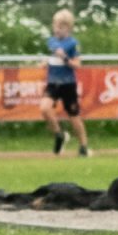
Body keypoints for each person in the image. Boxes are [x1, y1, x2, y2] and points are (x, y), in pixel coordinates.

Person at [40, 9, 91, 158]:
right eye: (55, 25)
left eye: (61, 26)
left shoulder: (73, 43)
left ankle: (83, 145)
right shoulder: (51, 42)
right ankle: (59, 134)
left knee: (74, 116)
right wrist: (46, 62)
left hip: (68, 84)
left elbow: (77, 64)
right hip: (53, 82)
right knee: (44, 108)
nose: (57, 29)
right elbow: (50, 57)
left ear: (68, 28)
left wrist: (66, 59)